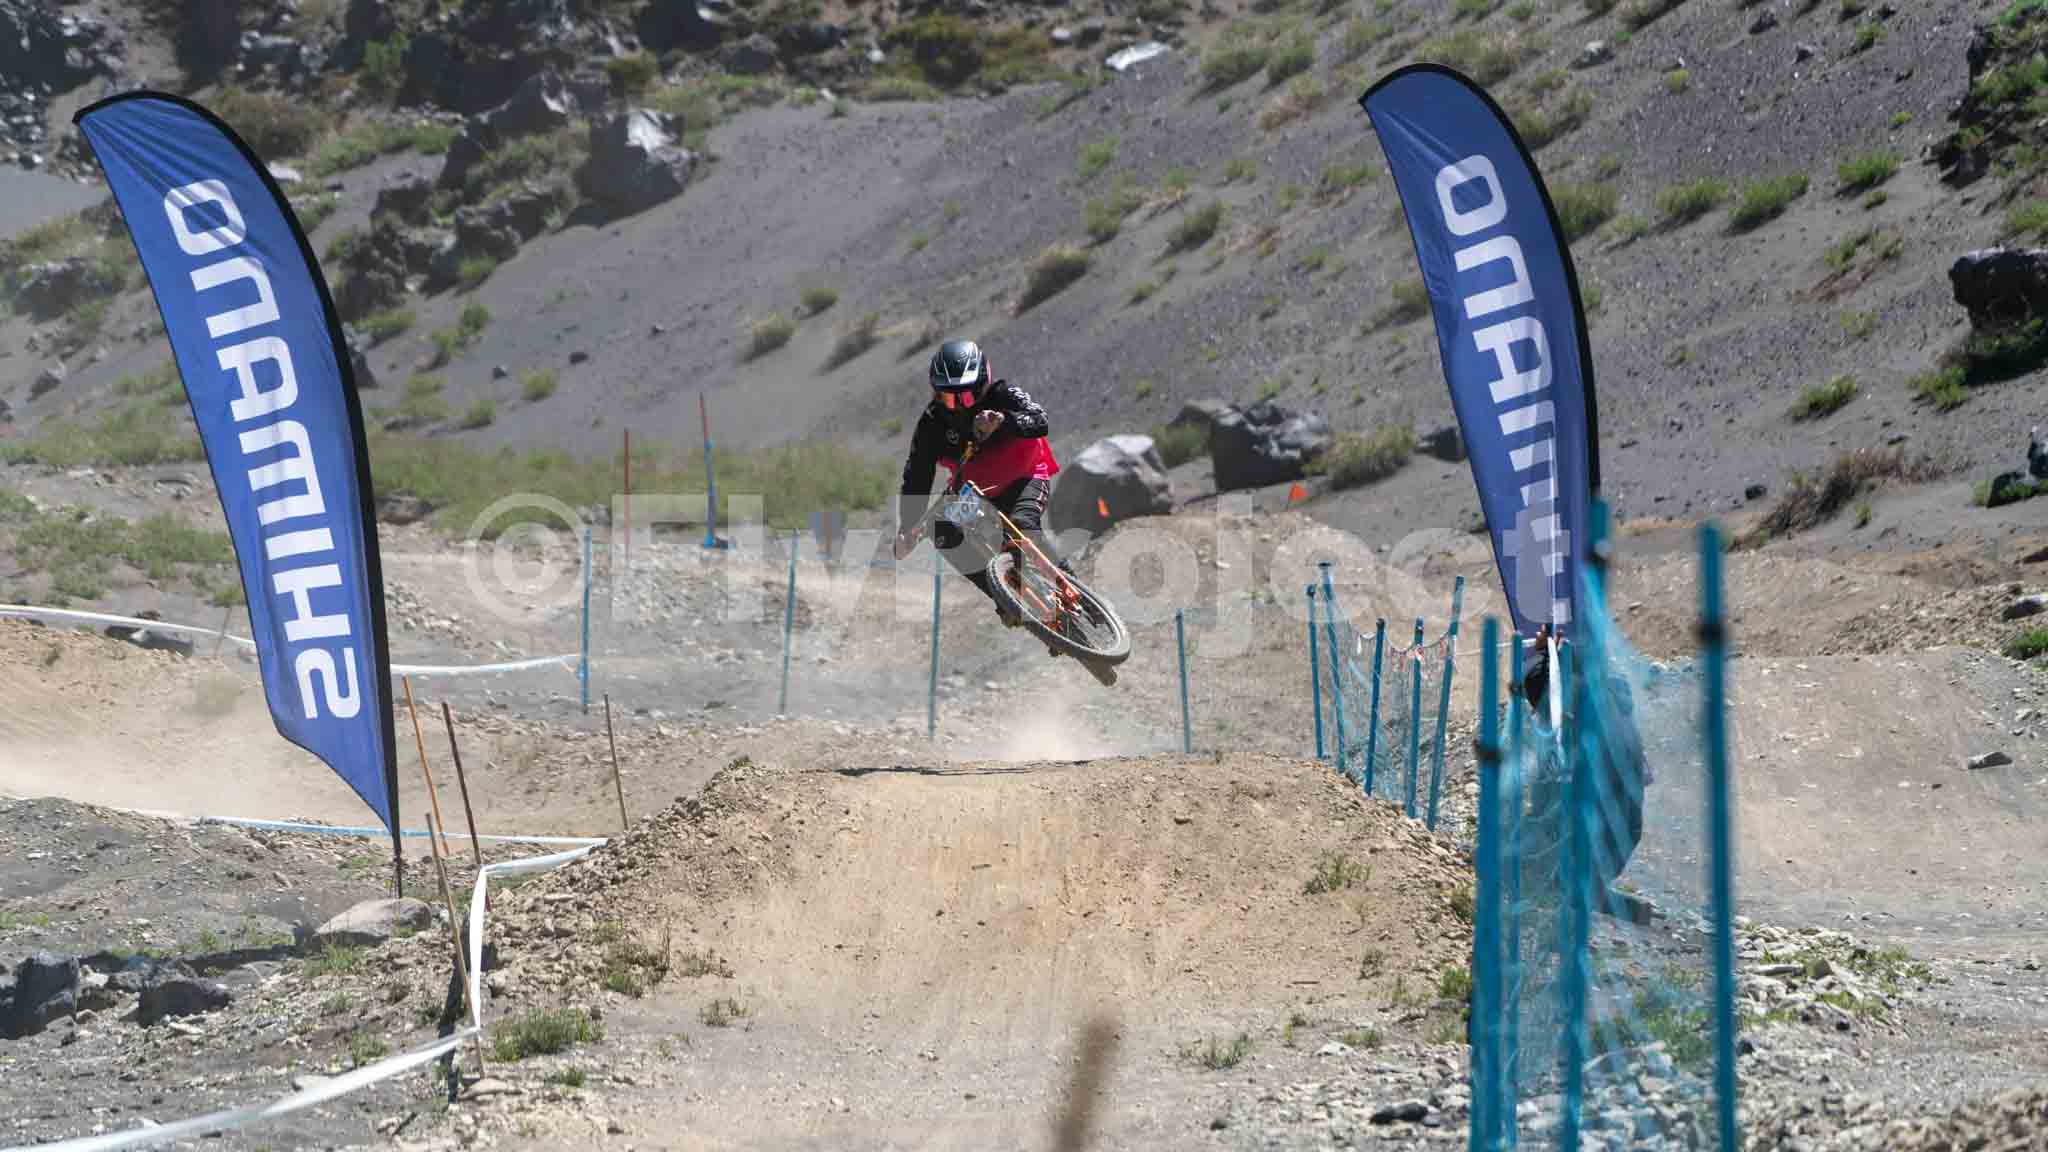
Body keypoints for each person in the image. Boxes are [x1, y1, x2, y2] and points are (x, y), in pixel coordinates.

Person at [891, 338, 1068, 631]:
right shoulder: (932, 423)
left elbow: (1040, 420)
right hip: (975, 492)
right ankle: (1005, 598)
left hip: (1026, 474)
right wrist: (907, 526)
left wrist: (1004, 421)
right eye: (949, 398)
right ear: (936, 394)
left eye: (967, 397)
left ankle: (1065, 580)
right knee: (941, 530)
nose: (959, 406)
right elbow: (917, 475)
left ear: (983, 382)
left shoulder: (1003, 393)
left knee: (1022, 524)